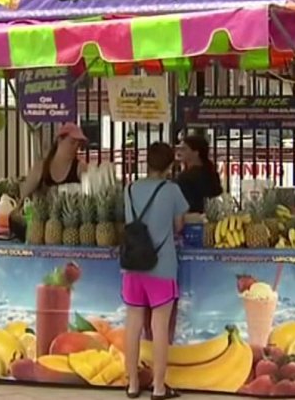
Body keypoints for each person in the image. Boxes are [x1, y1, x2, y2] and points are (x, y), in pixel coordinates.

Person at [122, 142, 189, 400]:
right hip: (161, 266)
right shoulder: (172, 190)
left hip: (132, 267)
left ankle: (132, 385)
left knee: (133, 324)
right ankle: (159, 388)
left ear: (146, 162)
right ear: (170, 165)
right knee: (159, 326)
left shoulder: (129, 189)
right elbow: (179, 225)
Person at [20, 122, 87, 200]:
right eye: (72, 142)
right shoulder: (41, 168)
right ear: (59, 140)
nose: (76, 147)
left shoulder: (80, 168)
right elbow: (24, 194)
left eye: (79, 145)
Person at [175, 133, 222, 213]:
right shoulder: (211, 173)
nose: (179, 152)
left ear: (196, 152)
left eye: (184, 149)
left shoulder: (185, 177)